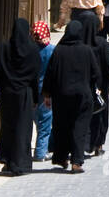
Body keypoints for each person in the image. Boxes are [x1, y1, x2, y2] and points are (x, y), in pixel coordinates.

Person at [42, 20, 102, 173]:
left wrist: (47, 94)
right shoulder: (86, 50)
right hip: (82, 96)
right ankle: (76, 162)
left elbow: (50, 74)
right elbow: (96, 74)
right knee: (79, 127)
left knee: (61, 127)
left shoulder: (59, 50)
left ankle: (61, 158)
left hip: (61, 96)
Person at [0, 18, 42, 176]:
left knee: (7, 126)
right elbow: (35, 75)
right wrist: (35, 98)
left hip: (5, 94)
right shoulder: (33, 50)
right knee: (23, 128)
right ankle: (20, 163)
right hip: (24, 94)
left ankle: (6, 159)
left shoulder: (4, 47)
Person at [78, 11, 109, 157]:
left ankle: (82, 144)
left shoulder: (75, 43)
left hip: (80, 87)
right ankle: (98, 144)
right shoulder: (101, 44)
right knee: (99, 115)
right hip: (99, 88)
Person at [31, 22, 54, 162]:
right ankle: (40, 152)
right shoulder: (51, 50)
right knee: (45, 120)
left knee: (36, 119)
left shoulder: (30, 49)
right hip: (47, 91)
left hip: (32, 89)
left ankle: (43, 147)